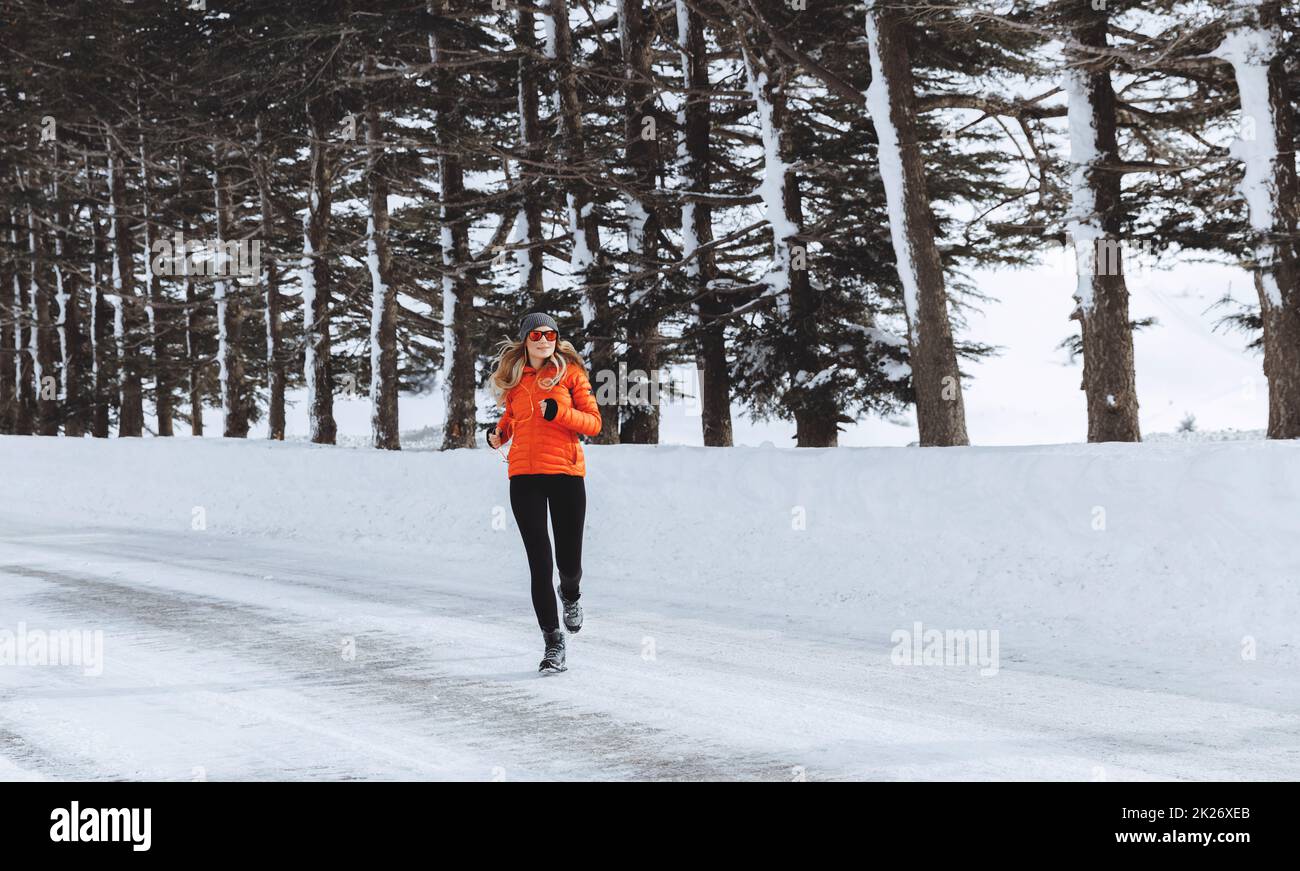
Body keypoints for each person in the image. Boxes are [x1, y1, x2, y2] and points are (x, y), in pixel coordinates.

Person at [487, 312, 603, 673]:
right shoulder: (516, 379)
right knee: (540, 563)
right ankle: (553, 642)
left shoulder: (571, 374)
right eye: (536, 334)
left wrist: (559, 412)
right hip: (524, 478)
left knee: (569, 564)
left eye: (549, 334)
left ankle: (570, 594)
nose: (543, 340)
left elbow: (594, 423)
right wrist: (498, 435)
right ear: (525, 340)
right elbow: (511, 420)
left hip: (566, 474)